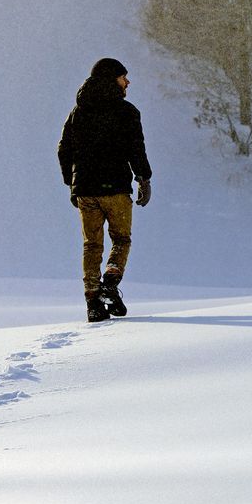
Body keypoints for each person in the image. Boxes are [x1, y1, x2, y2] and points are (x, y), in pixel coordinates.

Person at [58, 57, 152, 322]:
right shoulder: (126, 112)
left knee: (91, 244)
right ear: (113, 79)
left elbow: (64, 149)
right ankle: (110, 281)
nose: (128, 81)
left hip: (86, 190)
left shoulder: (79, 111)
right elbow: (136, 148)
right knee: (121, 239)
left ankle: (93, 302)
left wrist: (72, 182)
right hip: (116, 190)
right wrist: (143, 178)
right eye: (124, 77)